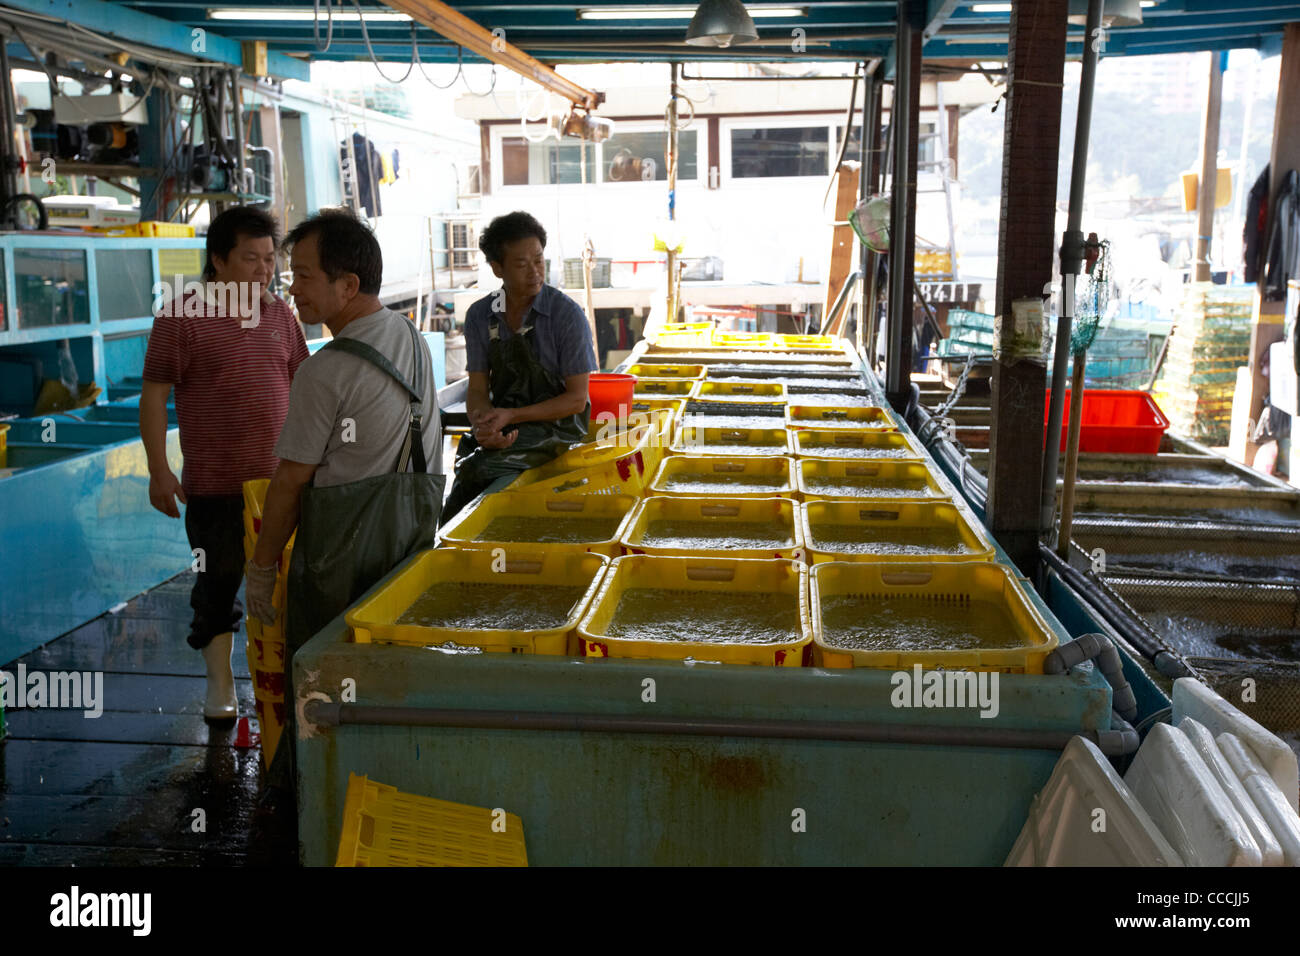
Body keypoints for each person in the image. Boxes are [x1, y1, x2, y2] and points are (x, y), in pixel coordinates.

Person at [244, 209, 443, 790]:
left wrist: (261, 568)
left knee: (321, 673)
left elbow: (288, 483)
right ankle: (389, 778)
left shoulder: (323, 371)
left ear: (347, 285)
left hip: (337, 553)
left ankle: (316, 799)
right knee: (383, 667)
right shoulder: (409, 334)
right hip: (408, 538)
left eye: (303, 276)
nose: (291, 288)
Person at [140, 206, 308, 720]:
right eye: (250, 258)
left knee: (292, 580)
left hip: (284, 480)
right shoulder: (179, 315)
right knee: (217, 583)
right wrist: (158, 470)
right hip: (214, 485)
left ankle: (287, 684)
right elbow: (153, 397)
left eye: (269, 259)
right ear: (217, 259)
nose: (264, 270)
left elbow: (304, 384)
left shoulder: (280, 312)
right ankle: (220, 687)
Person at [441, 211, 598, 522]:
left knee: (478, 468)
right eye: (521, 264)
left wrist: (512, 416)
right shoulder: (480, 315)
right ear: (497, 268)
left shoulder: (566, 315)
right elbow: (477, 387)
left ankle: (450, 545)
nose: (535, 272)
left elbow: (577, 400)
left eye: (538, 260)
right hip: (506, 424)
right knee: (466, 459)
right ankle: (447, 551)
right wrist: (483, 424)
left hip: (559, 429)